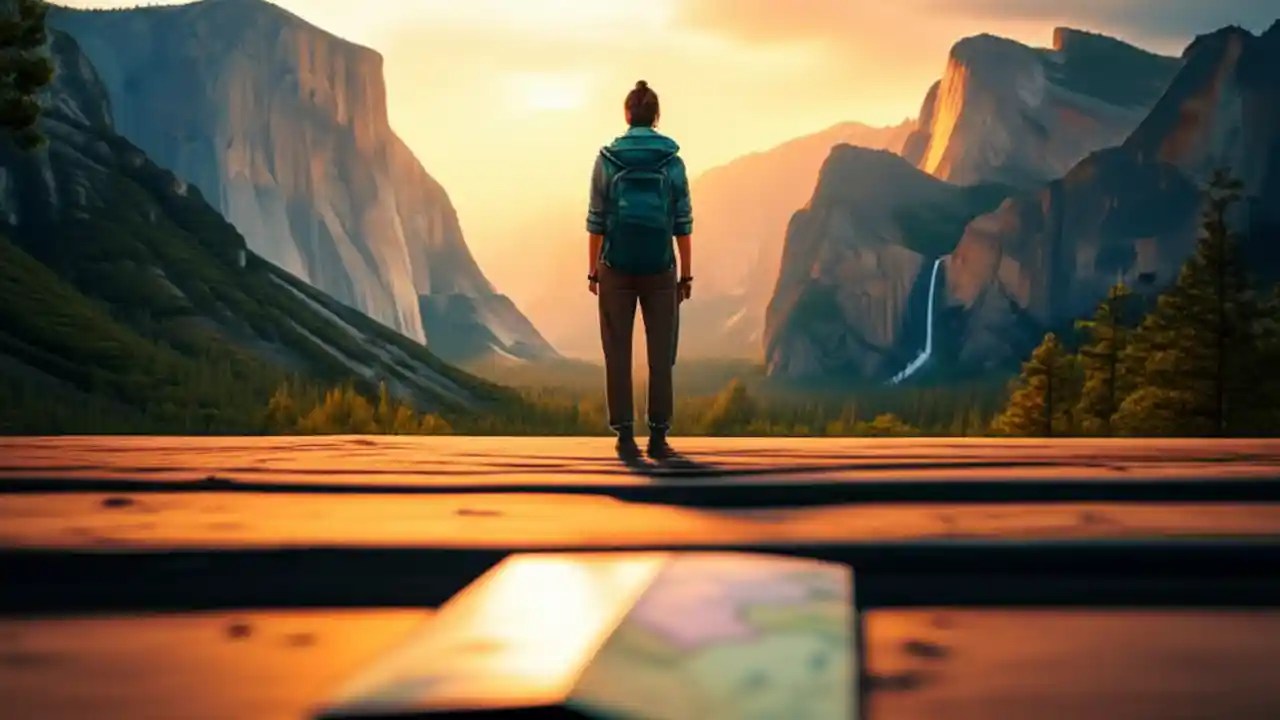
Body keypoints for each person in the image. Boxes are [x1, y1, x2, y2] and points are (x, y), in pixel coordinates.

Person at [586, 80, 694, 461]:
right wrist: (686, 274)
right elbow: (682, 221)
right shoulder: (673, 162)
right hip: (661, 267)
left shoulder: (607, 160)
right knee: (660, 352)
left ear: (627, 115)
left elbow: (596, 219)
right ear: (656, 117)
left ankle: (624, 434)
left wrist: (593, 270)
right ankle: (659, 434)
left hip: (615, 265)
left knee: (617, 349)